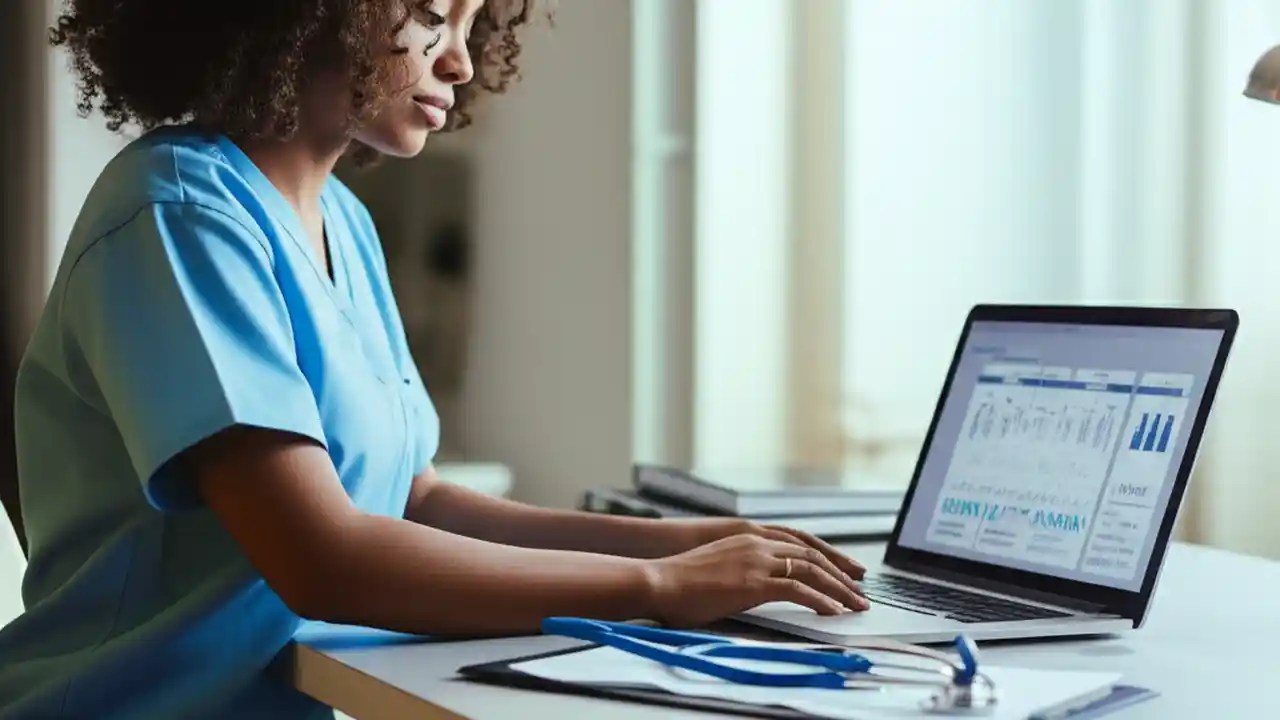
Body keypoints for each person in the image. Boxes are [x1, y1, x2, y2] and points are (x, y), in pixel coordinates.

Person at [0, 1, 870, 717]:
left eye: (471, 24)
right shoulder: (179, 215)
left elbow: (413, 499)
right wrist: (656, 583)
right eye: (430, 17)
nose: (459, 61)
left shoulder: (342, 220)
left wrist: (688, 543)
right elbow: (324, 558)